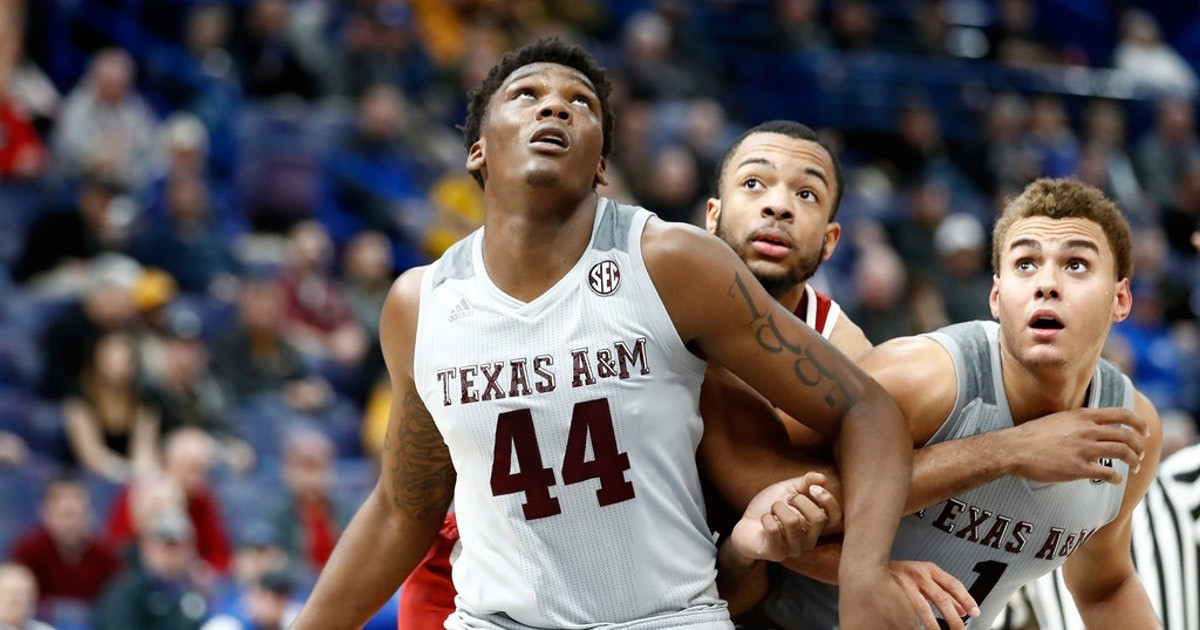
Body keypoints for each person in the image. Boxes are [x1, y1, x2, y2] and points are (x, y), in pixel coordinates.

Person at [291, 37, 914, 630]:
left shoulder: (673, 263)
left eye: (580, 103)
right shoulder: (419, 305)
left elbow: (868, 408)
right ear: (478, 149)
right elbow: (405, 508)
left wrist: (864, 577)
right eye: (527, 95)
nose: (555, 104)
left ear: (601, 168)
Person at [721, 178, 1163, 629]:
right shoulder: (922, 377)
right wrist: (866, 571)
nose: (1046, 284)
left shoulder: (1130, 429)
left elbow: (1105, 587)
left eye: (1076, 265)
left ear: (1120, 298)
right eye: (1026, 263)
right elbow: (758, 501)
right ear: (996, 296)